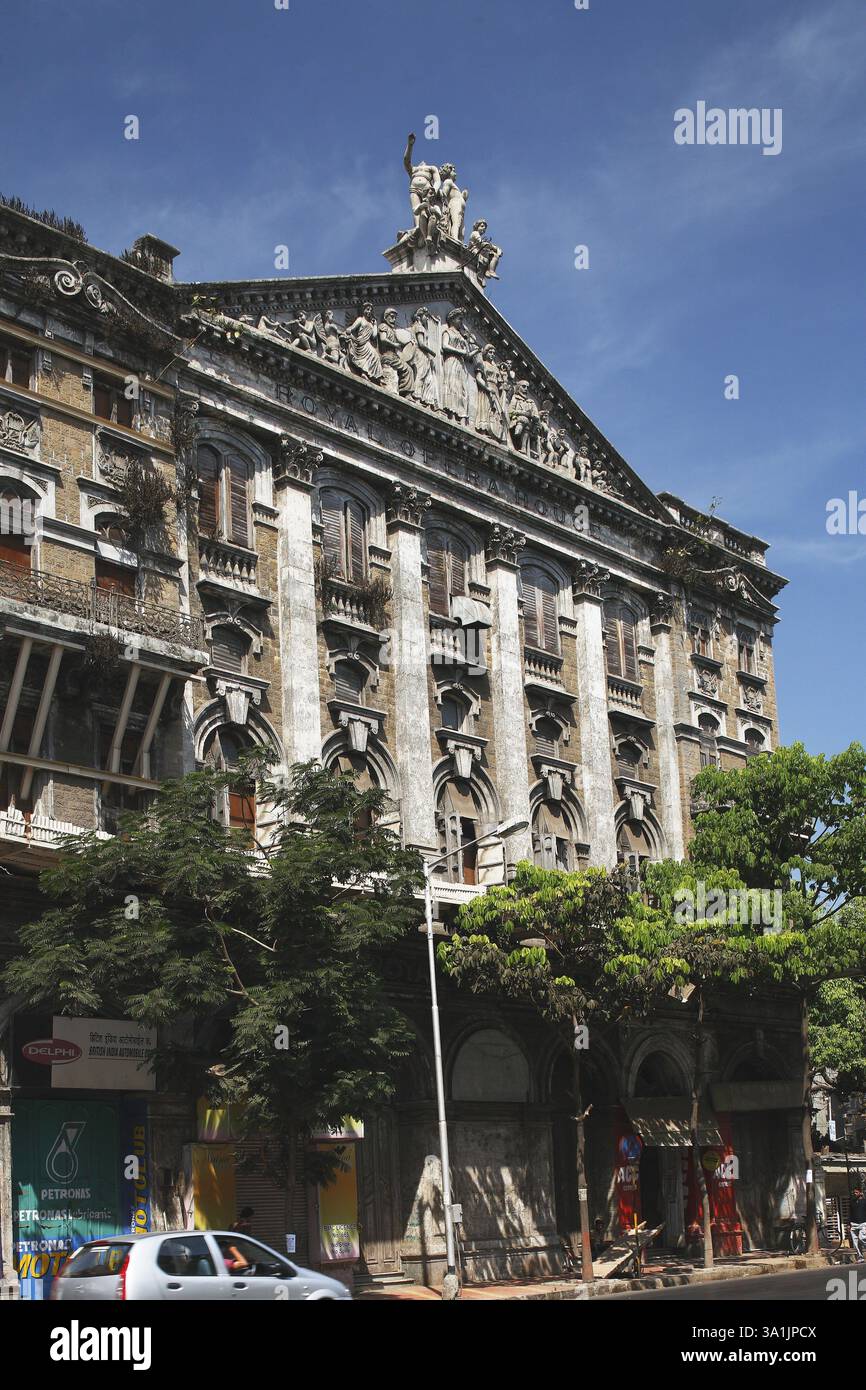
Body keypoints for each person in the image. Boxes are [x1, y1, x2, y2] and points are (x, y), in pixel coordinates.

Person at [849, 1186, 866, 1257]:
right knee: (855, 1243)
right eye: (854, 1192)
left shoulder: (864, 1201)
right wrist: (849, 1224)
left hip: (863, 1223)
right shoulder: (852, 1202)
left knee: (861, 1238)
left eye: (857, 1192)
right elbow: (850, 1213)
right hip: (853, 1224)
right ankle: (860, 1257)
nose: (855, 1194)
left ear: (860, 1193)